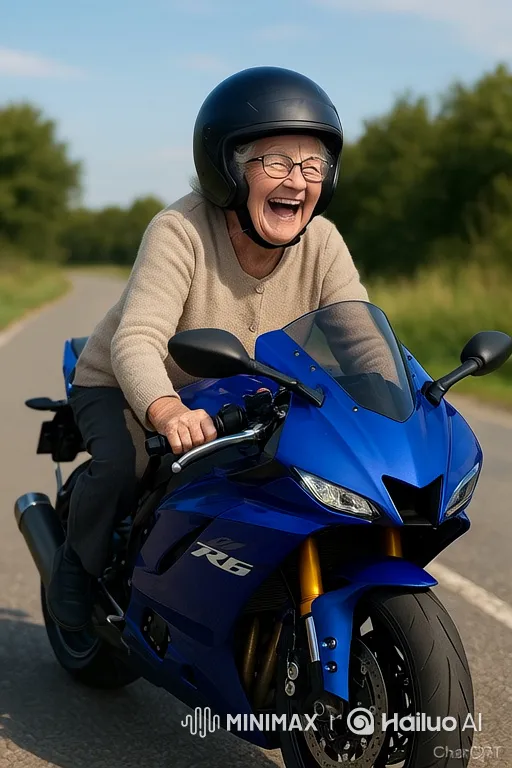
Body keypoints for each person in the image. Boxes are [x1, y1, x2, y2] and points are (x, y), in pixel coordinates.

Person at [46, 65, 380, 632]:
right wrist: (165, 408)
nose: (298, 182)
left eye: (313, 165)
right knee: (126, 466)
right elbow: (138, 338)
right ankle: (76, 567)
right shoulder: (179, 229)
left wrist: (399, 399)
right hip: (131, 384)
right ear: (228, 169)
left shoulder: (323, 243)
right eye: (276, 163)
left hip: (239, 393)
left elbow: (363, 340)